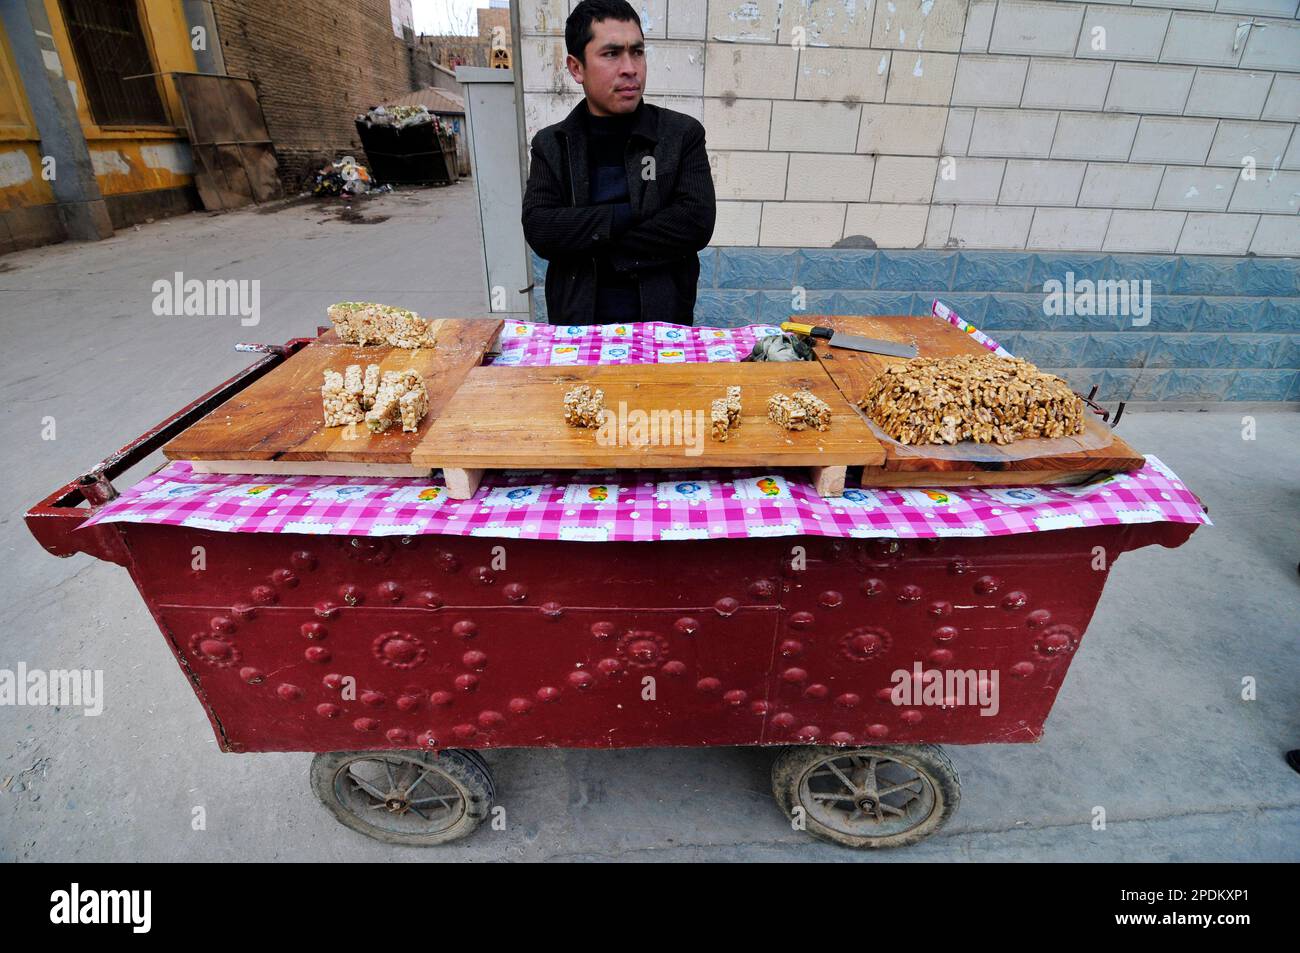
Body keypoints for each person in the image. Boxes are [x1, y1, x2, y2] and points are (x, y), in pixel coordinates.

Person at [521, 0, 716, 327]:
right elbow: (541, 228)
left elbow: (695, 222)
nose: (630, 68)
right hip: (578, 329)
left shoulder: (680, 135)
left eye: (637, 52)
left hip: (662, 328)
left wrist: (592, 239)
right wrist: (628, 215)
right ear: (576, 67)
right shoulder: (552, 145)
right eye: (611, 54)